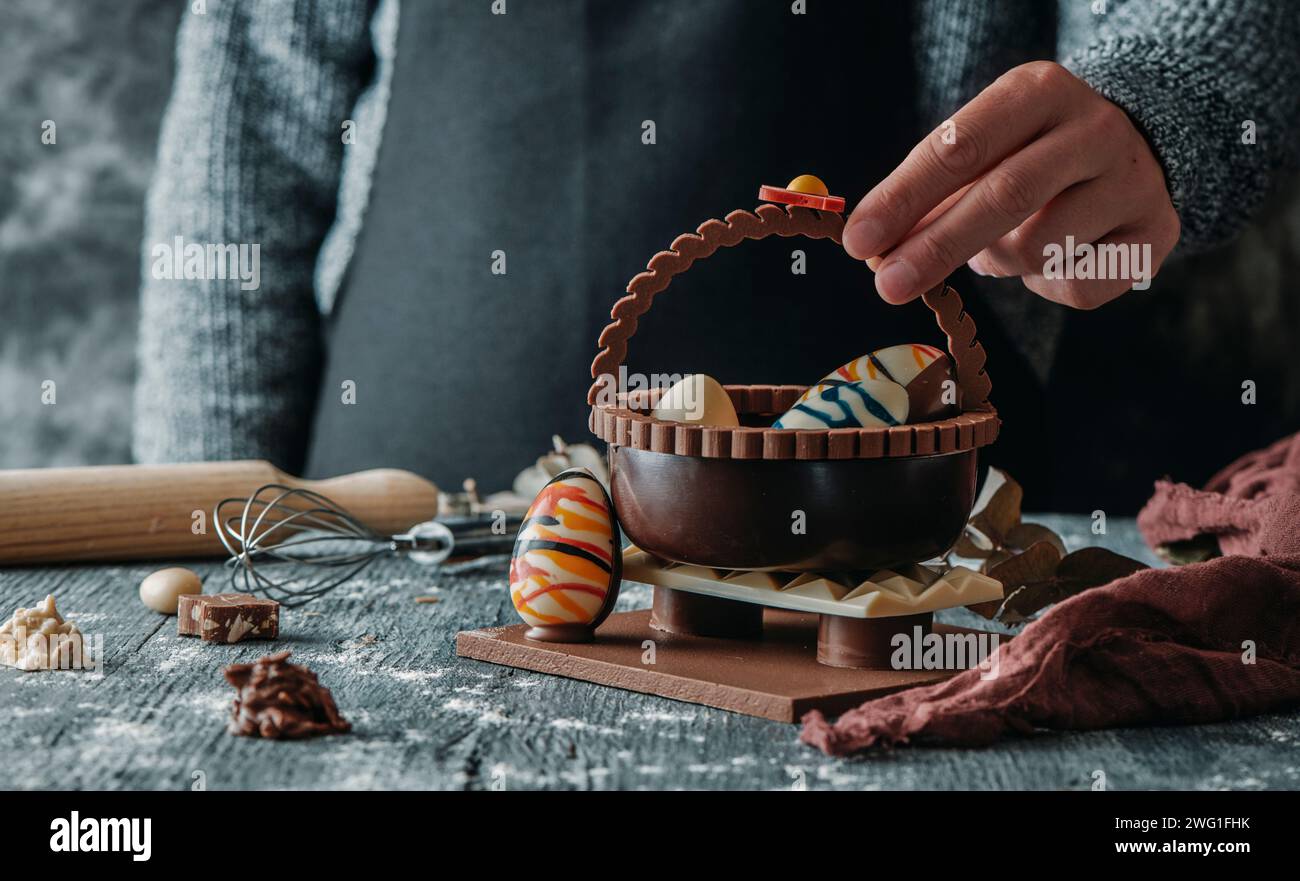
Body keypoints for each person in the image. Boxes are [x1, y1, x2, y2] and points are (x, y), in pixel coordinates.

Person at [133, 0, 1299, 506]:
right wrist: (200, 524)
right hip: (394, 528)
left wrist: (1159, 116)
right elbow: (242, 142)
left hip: (899, 565)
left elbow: (1206, 26)